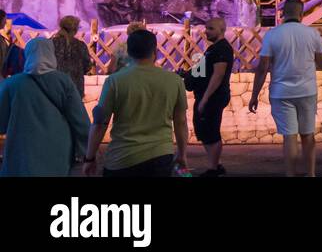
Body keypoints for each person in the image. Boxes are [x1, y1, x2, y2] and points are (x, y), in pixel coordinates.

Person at [86, 29, 189, 177]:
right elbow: (181, 121)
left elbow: (99, 123)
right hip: (160, 157)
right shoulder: (174, 81)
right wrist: (182, 154)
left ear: (129, 51)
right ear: (155, 50)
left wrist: (89, 158)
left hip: (122, 158)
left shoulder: (115, 81)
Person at [249, 0, 322, 177]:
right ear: (301, 14)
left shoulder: (272, 35)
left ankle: (290, 174)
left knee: (289, 136)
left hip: (281, 92)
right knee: (308, 134)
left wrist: (254, 96)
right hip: (307, 91)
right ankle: (310, 173)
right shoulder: (312, 34)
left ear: (283, 14)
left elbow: (262, 67)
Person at [0, 37, 90, 176]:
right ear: (51, 53)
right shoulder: (64, 82)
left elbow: (1, 123)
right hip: (57, 152)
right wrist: (87, 152)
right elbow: (80, 120)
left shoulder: (11, 84)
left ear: (27, 55)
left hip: (21, 154)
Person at [186, 16, 233, 177]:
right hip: (207, 96)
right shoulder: (214, 48)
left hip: (213, 97)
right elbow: (204, 71)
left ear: (221, 30)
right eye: (206, 28)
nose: (207, 31)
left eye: (211, 28)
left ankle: (214, 169)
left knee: (211, 131)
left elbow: (218, 75)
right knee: (204, 130)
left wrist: (205, 99)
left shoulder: (222, 49)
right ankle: (216, 165)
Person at [51, 16, 93, 99]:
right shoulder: (81, 46)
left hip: (55, 89)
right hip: (75, 91)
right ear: (75, 30)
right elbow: (87, 66)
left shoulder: (50, 43)